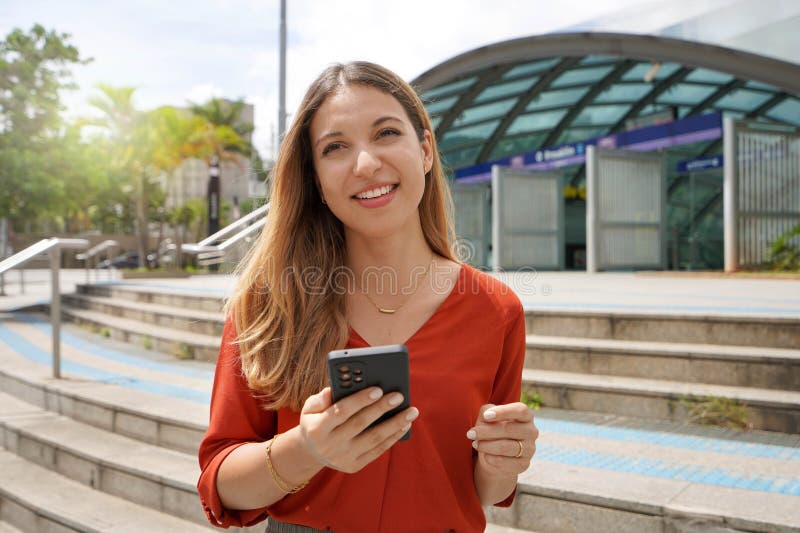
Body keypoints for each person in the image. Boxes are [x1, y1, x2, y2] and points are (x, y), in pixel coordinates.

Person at [197, 61, 539, 533]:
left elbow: (482, 492)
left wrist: (502, 466)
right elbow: (221, 485)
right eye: (335, 147)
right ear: (315, 177)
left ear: (424, 151)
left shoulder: (497, 310)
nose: (365, 164)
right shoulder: (269, 304)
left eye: (386, 133)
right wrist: (306, 449)